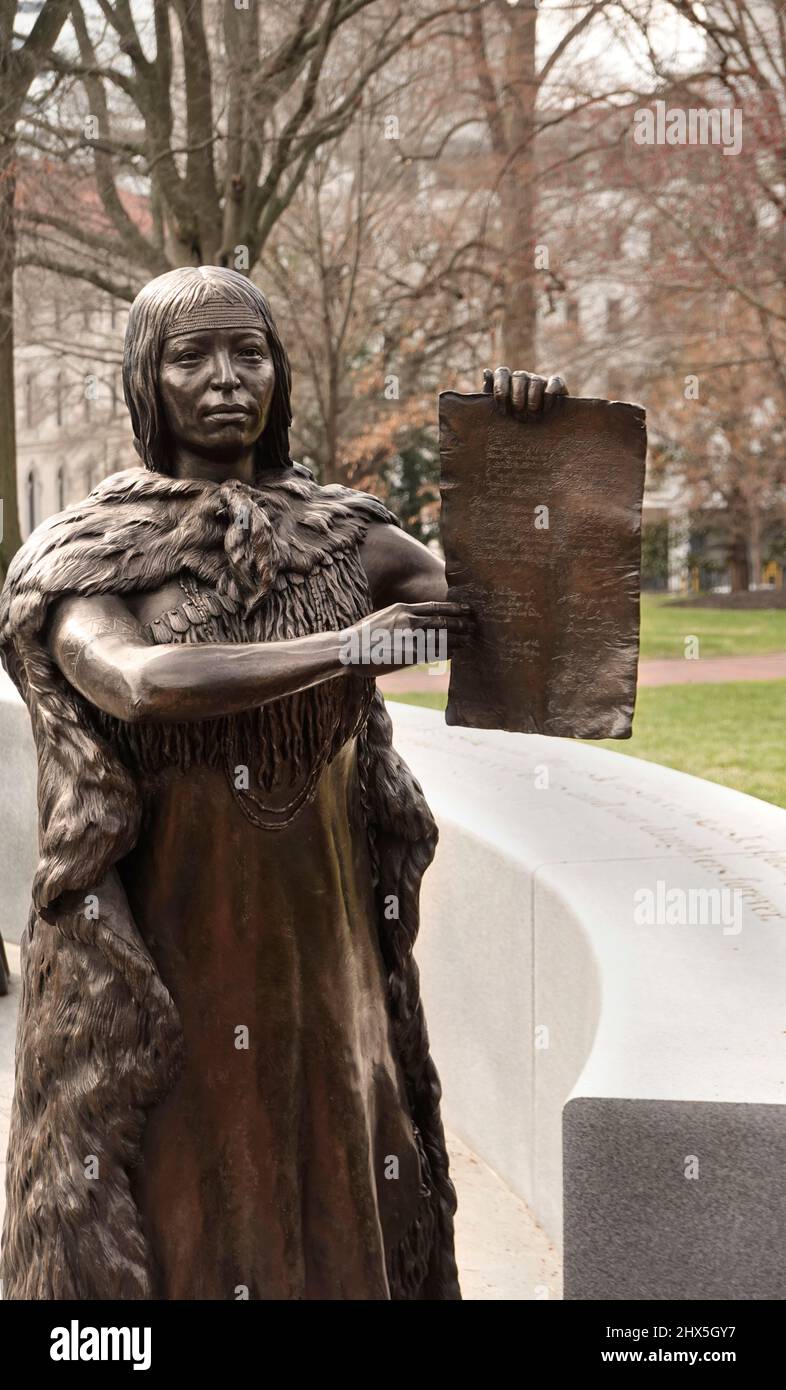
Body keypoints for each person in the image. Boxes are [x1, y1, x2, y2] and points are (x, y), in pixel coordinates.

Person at [0, 265, 566, 1300]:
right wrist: (344, 648)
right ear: (146, 378)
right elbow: (140, 681)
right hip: (166, 958)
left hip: (325, 949)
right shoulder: (87, 554)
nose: (225, 378)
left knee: (335, 1175)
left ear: (280, 371)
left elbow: (528, 641)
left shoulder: (347, 535)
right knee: (179, 1201)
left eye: (248, 352)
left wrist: (522, 463)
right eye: (191, 356)